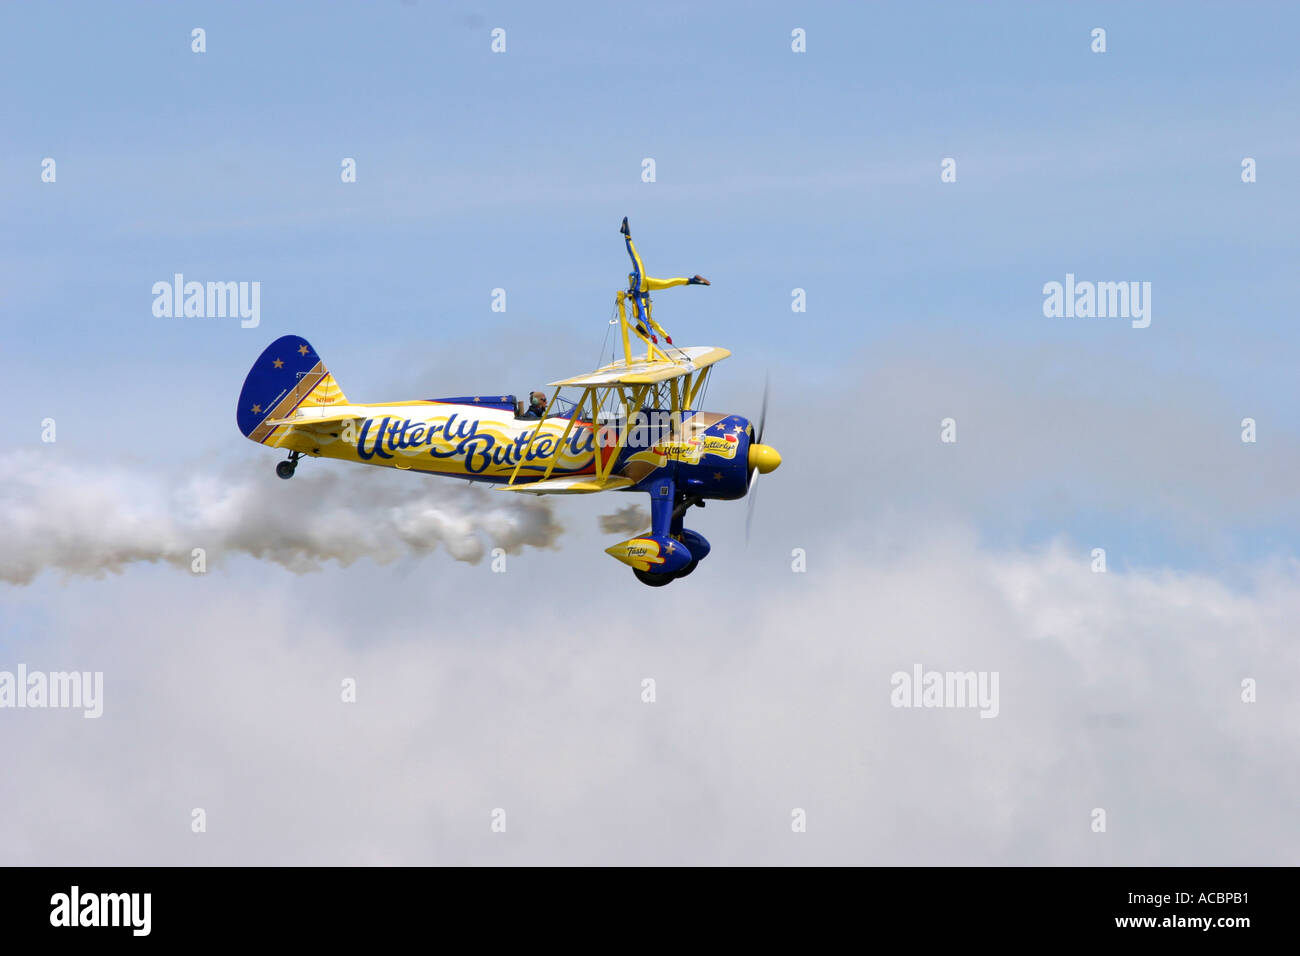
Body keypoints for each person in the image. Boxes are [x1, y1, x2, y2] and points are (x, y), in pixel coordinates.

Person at [620, 217, 709, 345]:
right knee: (667, 283)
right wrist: (666, 336)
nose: (647, 336)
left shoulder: (641, 319)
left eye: (645, 335)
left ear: (643, 330)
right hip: (646, 288)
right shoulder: (649, 321)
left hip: (640, 286)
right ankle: (692, 280)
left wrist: (652, 335)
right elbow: (656, 325)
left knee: (637, 259)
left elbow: (645, 321)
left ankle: (627, 235)